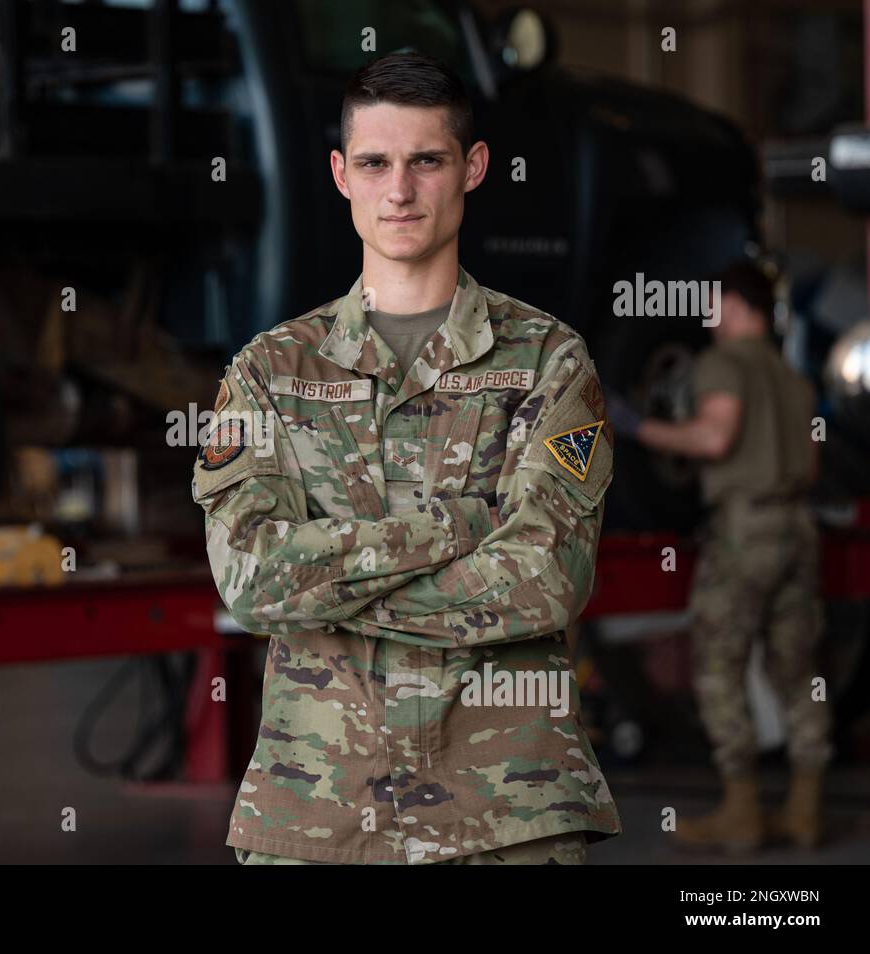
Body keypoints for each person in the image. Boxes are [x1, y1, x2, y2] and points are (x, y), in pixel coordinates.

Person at [190, 52, 620, 865]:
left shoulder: (546, 360)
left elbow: (548, 579)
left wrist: (326, 590)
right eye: (375, 163)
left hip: (507, 814)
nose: (400, 190)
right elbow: (250, 580)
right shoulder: (272, 371)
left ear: (474, 167)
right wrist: (460, 527)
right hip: (318, 816)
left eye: (427, 160)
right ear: (339, 174)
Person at [607, 260, 832, 852]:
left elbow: (713, 438)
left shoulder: (724, 364)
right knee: (796, 670)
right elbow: (810, 467)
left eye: (713, 307)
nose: (707, 320)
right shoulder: (793, 377)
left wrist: (637, 428)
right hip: (798, 529)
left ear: (734, 305)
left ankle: (742, 811)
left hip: (745, 530)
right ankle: (806, 810)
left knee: (718, 667)